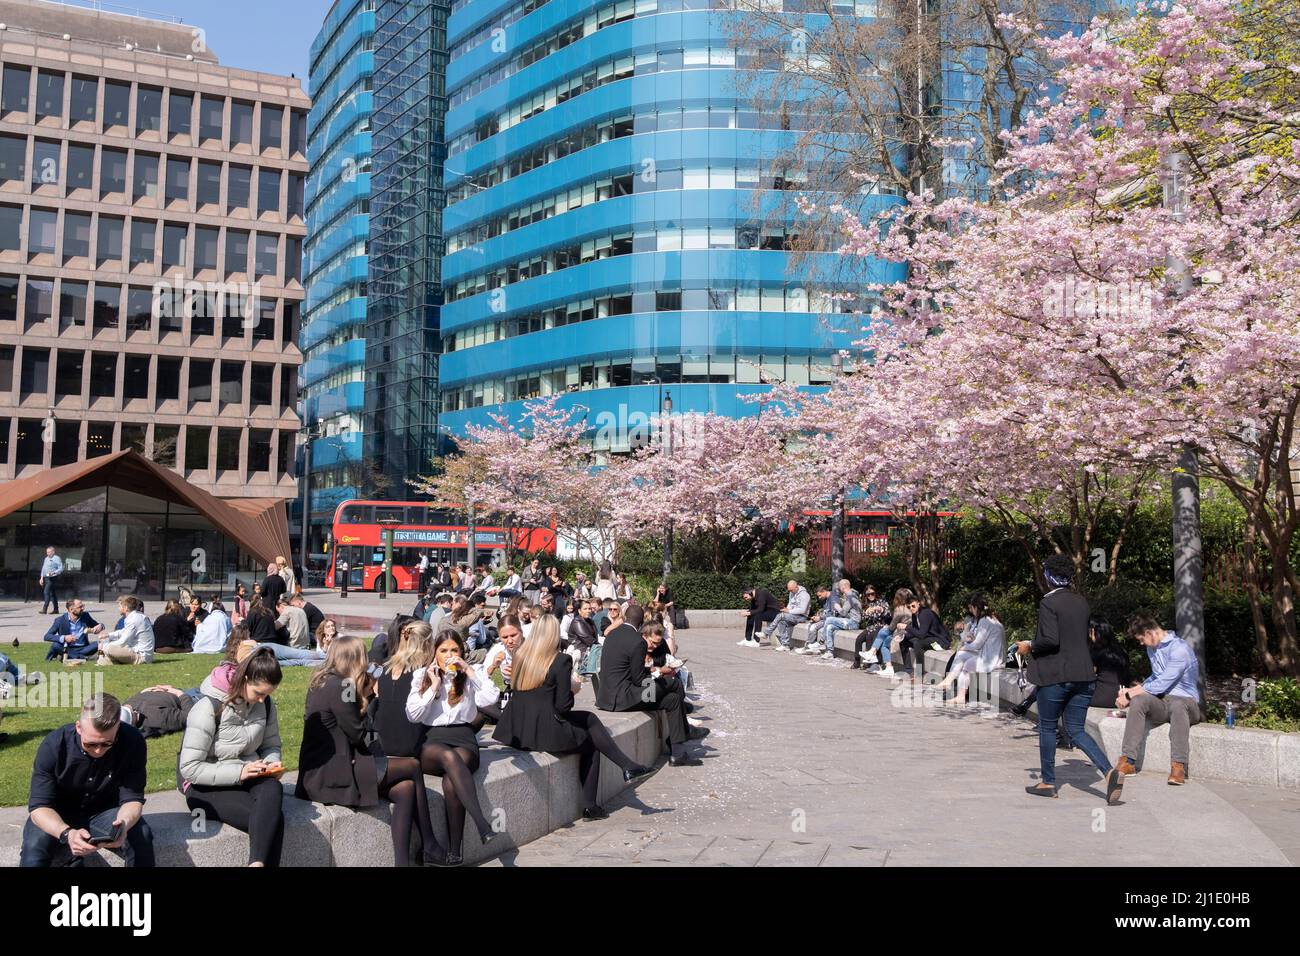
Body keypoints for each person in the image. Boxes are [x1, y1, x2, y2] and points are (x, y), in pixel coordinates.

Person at [296, 635, 447, 866]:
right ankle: (430, 843)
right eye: (363, 656)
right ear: (354, 658)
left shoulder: (322, 681)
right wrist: (368, 696)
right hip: (334, 773)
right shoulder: (343, 685)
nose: (366, 661)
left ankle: (403, 862)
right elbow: (358, 734)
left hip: (323, 769)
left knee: (406, 788)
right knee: (413, 766)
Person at [494, 615, 651, 820]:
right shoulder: (560, 660)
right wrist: (572, 688)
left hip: (518, 731)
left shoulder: (521, 656)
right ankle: (591, 804)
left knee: (589, 718)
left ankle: (628, 767)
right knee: (592, 744)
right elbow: (562, 707)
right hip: (545, 732)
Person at [1013, 555, 1122, 803]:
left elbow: (1050, 640)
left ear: (1050, 576)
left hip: (1055, 675)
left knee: (1048, 727)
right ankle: (1108, 771)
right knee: (1076, 729)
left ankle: (1048, 782)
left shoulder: (1048, 603)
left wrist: (1029, 645)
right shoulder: (1081, 601)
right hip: (1083, 675)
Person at [178, 646, 286, 866]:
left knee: (273, 788)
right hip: (203, 786)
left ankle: (256, 863)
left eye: (267, 694)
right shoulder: (208, 708)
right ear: (244, 679)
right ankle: (257, 863)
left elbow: (270, 744)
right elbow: (190, 768)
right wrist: (240, 771)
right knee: (272, 821)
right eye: (259, 693)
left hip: (248, 774)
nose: (261, 699)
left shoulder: (265, 704)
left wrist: (271, 764)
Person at [21, 693, 153, 867]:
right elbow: (39, 808)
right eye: (90, 744)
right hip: (58, 812)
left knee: (141, 835)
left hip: (105, 812)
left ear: (118, 728)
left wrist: (123, 824)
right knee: (35, 849)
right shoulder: (54, 745)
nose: (98, 751)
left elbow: (133, 799)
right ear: (78, 727)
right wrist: (66, 833)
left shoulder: (132, 741)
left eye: (107, 744)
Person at [406, 631, 501, 865]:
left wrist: (468, 671)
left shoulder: (471, 674)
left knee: (451, 781)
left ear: (461, 652)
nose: (449, 656)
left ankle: (455, 852)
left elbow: (491, 698)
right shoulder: (422, 675)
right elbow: (412, 715)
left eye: (454, 650)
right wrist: (434, 686)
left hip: (464, 738)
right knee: (448, 757)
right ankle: (481, 823)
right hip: (432, 740)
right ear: (434, 653)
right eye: (444, 651)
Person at [597, 604, 702, 766]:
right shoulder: (638, 641)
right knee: (673, 683)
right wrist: (660, 671)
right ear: (641, 624)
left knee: (673, 700)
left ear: (624, 617)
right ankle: (686, 727)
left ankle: (678, 752)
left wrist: (653, 670)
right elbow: (639, 680)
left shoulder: (612, 635)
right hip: (624, 697)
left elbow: (627, 669)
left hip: (606, 696)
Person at [1115, 614, 1202, 786]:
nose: (1141, 643)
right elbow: (1155, 678)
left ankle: (1178, 766)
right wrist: (1132, 691)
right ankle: (1128, 760)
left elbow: (1163, 683)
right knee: (1139, 701)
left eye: (1141, 639)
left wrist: (1128, 695)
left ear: (1150, 633)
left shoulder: (1180, 649)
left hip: (1187, 703)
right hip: (1163, 702)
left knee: (1177, 705)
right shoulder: (1152, 648)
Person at [938, 593, 1006, 705]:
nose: (971, 611)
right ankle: (949, 681)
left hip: (992, 660)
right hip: (990, 655)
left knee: (966, 662)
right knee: (962, 655)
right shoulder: (991, 619)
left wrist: (964, 647)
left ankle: (959, 695)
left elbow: (977, 645)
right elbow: (980, 641)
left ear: (975, 607)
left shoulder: (985, 621)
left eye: (972, 608)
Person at [97, 595, 156, 665]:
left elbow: (123, 641)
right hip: (140, 653)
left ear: (126, 608)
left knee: (108, 648)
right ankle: (104, 661)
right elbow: (124, 631)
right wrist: (108, 635)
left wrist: (104, 647)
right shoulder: (135, 616)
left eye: (119, 606)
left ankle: (104, 660)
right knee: (105, 644)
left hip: (141, 656)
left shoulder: (134, 619)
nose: (118, 608)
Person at [900, 595, 949, 679]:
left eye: (913, 606)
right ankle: (908, 671)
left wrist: (906, 627)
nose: (911, 608)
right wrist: (904, 635)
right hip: (928, 639)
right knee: (904, 642)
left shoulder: (925, 613)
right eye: (909, 607)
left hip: (940, 642)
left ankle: (920, 674)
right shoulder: (915, 614)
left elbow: (921, 634)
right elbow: (915, 631)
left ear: (918, 603)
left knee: (918, 644)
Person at [762, 580, 811, 652]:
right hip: (792, 615)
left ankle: (766, 633)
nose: (790, 592)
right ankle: (785, 645)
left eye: (791, 590)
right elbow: (790, 604)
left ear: (796, 587)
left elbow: (802, 610)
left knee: (780, 615)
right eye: (789, 590)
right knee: (781, 622)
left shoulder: (805, 595)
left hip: (801, 616)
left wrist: (789, 611)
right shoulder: (792, 593)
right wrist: (787, 609)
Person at [851, 585, 892, 669]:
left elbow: (889, 614)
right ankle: (857, 661)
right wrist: (866, 613)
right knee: (859, 639)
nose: (870, 596)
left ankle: (868, 663)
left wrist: (881, 609)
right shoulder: (866, 604)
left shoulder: (881, 601)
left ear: (875, 593)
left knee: (870, 637)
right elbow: (862, 618)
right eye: (868, 594)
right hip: (870, 626)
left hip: (881, 625)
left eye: (872, 594)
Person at [797, 584, 837, 656]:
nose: (819, 598)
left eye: (820, 595)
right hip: (825, 618)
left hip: (830, 620)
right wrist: (818, 615)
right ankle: (810, 646)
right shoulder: (825, 599)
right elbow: (826, 611)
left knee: (813, 627)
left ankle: (809, 647)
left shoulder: (833, 598)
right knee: (810, 624)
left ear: (824, 591)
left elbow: (834, 615)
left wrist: (820, 618)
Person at [38, 546, 64, 614]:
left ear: (53, 552)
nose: (47, 553)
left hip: (52, 578)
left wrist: (54, 573)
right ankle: (56, 609)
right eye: (47, 552)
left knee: (46, 592)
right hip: (46, 577)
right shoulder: (46, 558)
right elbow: (43, 568)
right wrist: (41, 578)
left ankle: (44, 609)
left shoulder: (57, 558)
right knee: (52, 594)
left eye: (49, 552)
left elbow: (61, 568)